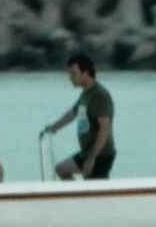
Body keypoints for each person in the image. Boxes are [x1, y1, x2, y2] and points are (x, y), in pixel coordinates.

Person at [41, 52, 116, 180]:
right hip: (87, 152)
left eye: (73, 74)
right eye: (69, 74)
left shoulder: (100, 95)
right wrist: (54, 127)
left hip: (100, 154)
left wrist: (92, 158)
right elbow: (72, 113)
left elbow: (104, 129)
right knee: (61, 169)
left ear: (85, 73)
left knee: (93, 188)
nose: (70, 78)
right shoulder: (86, 94)